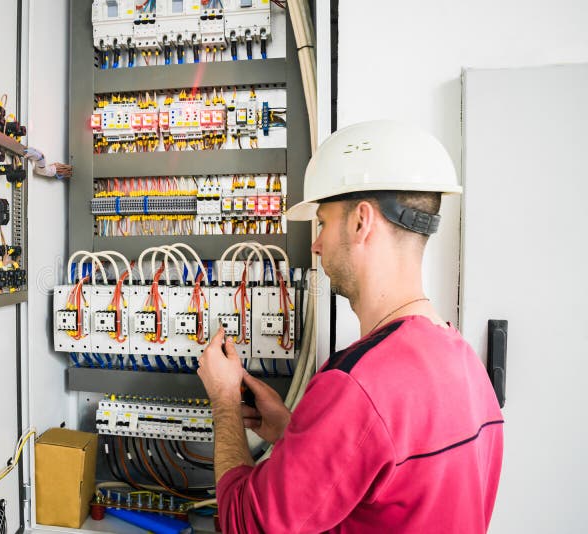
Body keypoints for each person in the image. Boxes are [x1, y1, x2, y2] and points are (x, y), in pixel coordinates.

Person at [197, 120, 504, 533]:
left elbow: (243, 523)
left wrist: (223, 403)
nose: (316, 244)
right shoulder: (465, 364)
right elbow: (386, 486)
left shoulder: (356, 386)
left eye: (323, 222)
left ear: (361, 222)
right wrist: (296, 433)